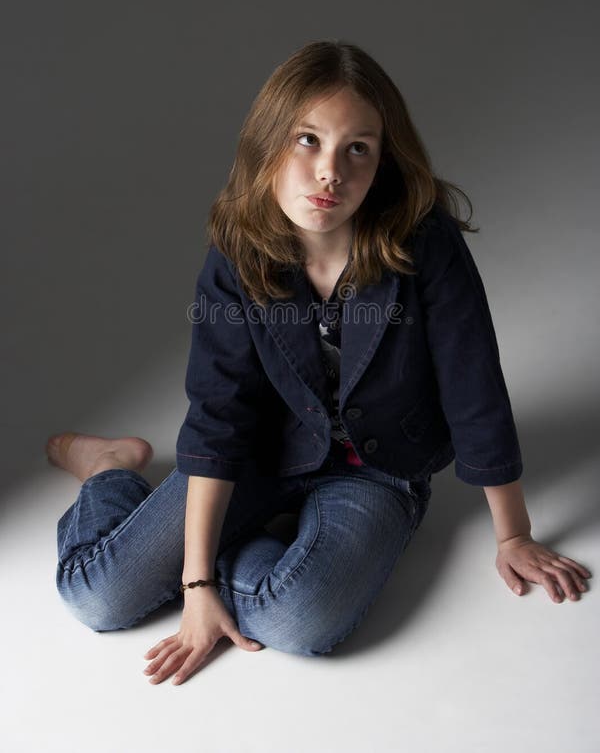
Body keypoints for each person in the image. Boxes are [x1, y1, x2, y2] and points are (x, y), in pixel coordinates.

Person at [47, 39, 591, 687]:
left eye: (356, 148)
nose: (330, 171)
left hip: (377, 473)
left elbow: (473, 388)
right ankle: (110, 469)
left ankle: (242, 547)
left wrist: (513, 536)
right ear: (268, 143)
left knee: (298, 618)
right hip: (258, 454)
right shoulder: (237, 252)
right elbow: (220, 413)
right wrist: (194, 586)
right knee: (97, 598)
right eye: (308, 140)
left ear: (382, 159)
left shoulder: (424, 242)